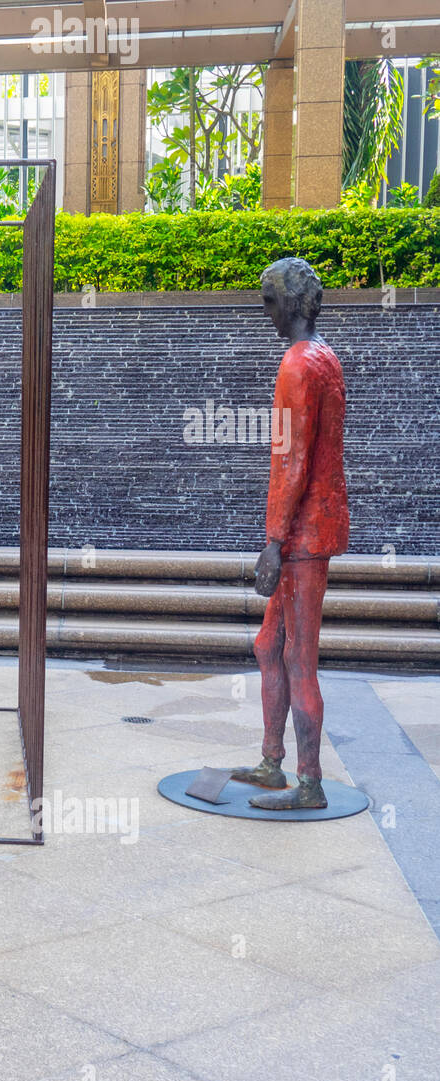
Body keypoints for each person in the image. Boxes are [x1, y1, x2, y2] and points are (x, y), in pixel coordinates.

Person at [231, 257, 349, 810]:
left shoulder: (299, 365)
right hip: (311, 526)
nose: (266, 312)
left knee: (299, 657)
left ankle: (310, 782)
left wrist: (273, 542)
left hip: (303, 535)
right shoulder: (324, 357)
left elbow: (292, 461)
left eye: (270, 301)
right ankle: (272, 761)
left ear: (292, 304)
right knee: (268, 646)